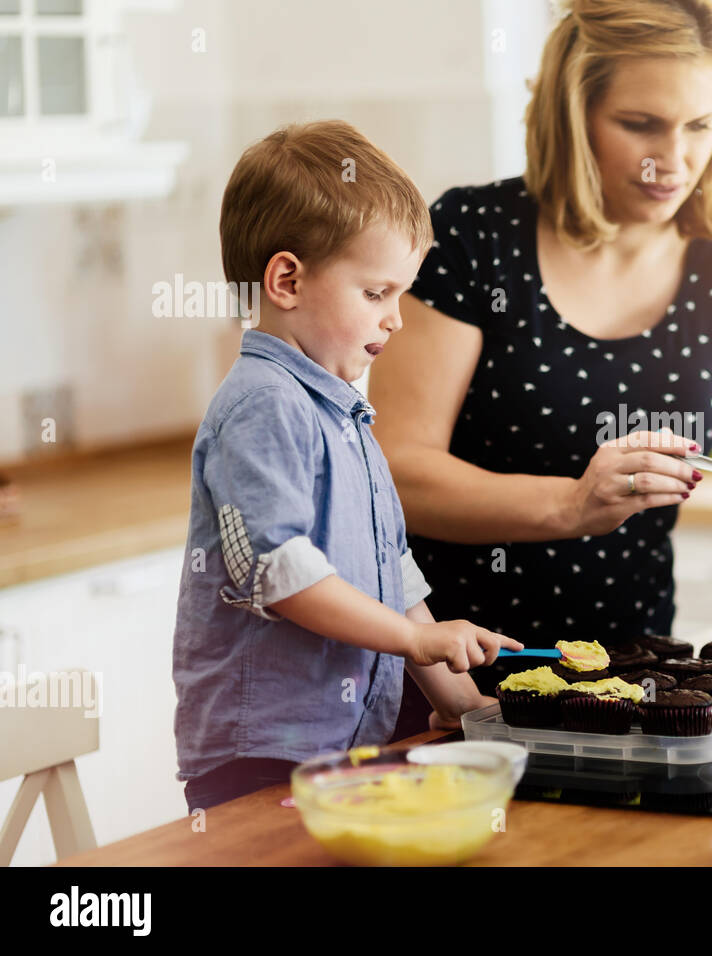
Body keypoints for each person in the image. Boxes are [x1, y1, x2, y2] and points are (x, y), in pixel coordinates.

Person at [370, 0, 712, 728]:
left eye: (699, 125)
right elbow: (395, 472)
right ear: (572, 114)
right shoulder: (471, 236)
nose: (671, 160)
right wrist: (571, 507)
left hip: (641, 683)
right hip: (454, 679)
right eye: (640, 124)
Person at [172, 120, 521, 812]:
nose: (396, 319)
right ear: (286, 280)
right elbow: (282, 573)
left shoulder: (344, 414)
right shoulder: (263, 405)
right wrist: (418, 637)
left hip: (338, 749)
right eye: (375, 293)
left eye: (402, 293)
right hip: (263, 755)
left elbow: (391, 569)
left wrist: (459, 701)